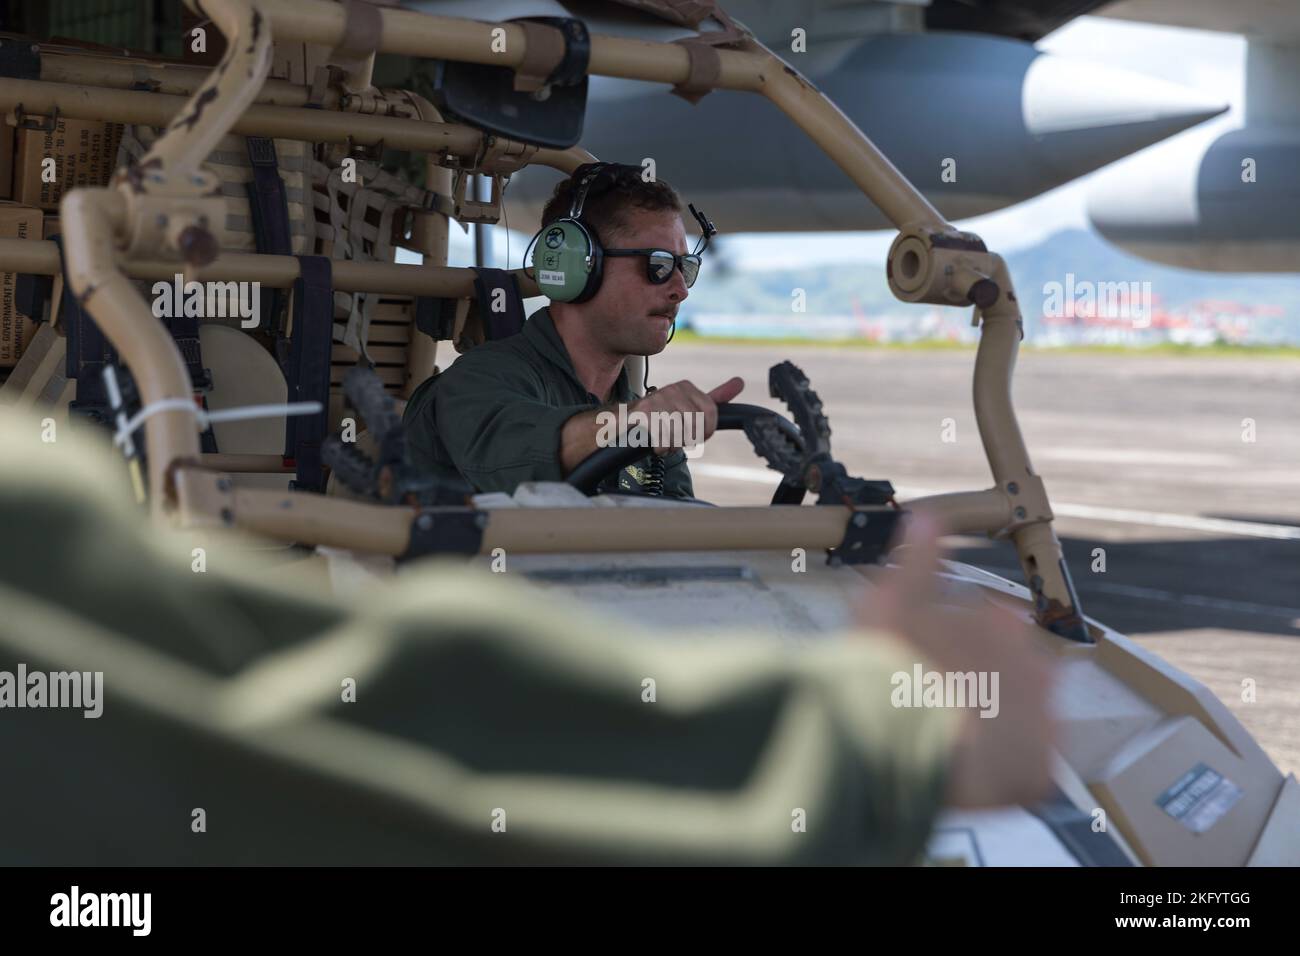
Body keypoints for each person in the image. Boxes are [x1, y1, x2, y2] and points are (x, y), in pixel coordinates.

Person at [0, 406, 1054, 865]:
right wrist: (882, 742)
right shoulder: (504, 378)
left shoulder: (652, 400)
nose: (671, 286)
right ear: (578, 267)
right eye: (650, 264)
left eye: (683, 266)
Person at [403, 164, 744, 498]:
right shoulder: (474, 383)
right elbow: (516, 452)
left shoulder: (643, 413)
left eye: (686, 267)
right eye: (658, 265)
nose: (680, 290)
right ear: (577, 266)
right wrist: (632, 421)